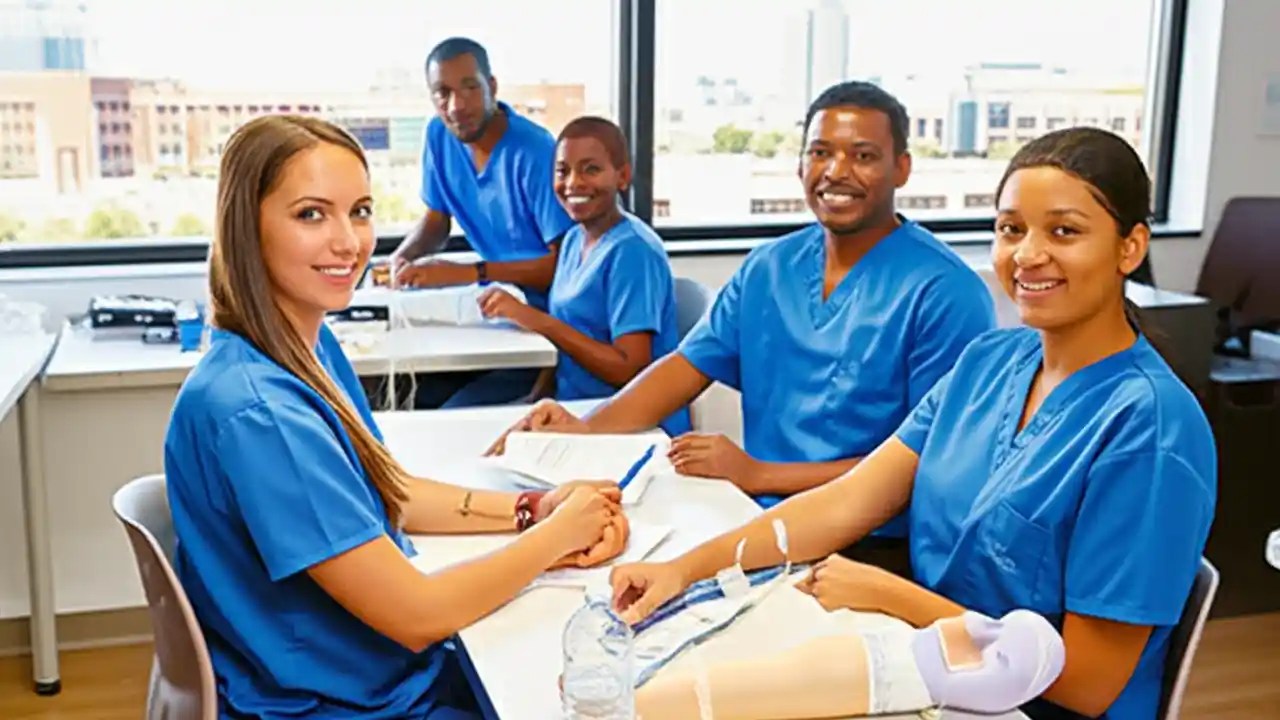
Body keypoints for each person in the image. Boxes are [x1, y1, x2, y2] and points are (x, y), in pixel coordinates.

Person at [608, 127, 1218, 720]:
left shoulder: (1151, 430)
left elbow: (1088, 684)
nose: (1028, 254)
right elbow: (847, 503)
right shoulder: (991, 362)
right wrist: (683, 570)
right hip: (927, 665)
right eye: (1011, 229)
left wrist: (890, 596)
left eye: (1064, 231)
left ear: (1130, 248)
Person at [163, 115, 628, 719]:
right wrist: (556, 538)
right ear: (245, 226)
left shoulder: (301, 344)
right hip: (345, 703)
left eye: (359, 210)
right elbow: (418, 615)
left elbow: (386, 492)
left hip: (367, 676)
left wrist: (531, 510)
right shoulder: (259, 412)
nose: (349, 241)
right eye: (311, 214)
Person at [490, 81, 995, 570]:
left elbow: (926, 461)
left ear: (902, 168)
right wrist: (584, 432)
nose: (836, 171)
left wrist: (757, 473)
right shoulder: (769, 268)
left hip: (868, 543)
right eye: (820, 153)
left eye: (863, 156)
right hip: (754, 516)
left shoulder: (945, 292)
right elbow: (683, 369)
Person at [459, 116, 691, 434]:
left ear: (623, 176)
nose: (573, 183)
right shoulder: (573, 239)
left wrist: (537, 320)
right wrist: (535, 400)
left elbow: (629, 368)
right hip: (575, 409)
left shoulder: (633, 251)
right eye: (562, 170)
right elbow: (568, 346)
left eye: (591, 169)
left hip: (628, 425)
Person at [389, 37, 574, 407]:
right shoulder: (438, 135)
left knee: (446, 417)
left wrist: (468, 273)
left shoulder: (535, 151)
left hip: (541, 331)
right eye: (442, 92)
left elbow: (562, 268)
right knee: (400, 398)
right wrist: (403, 258)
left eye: (470, 88)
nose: (456, 106)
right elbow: (437, 221)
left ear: (492, 87)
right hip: (487, 316)